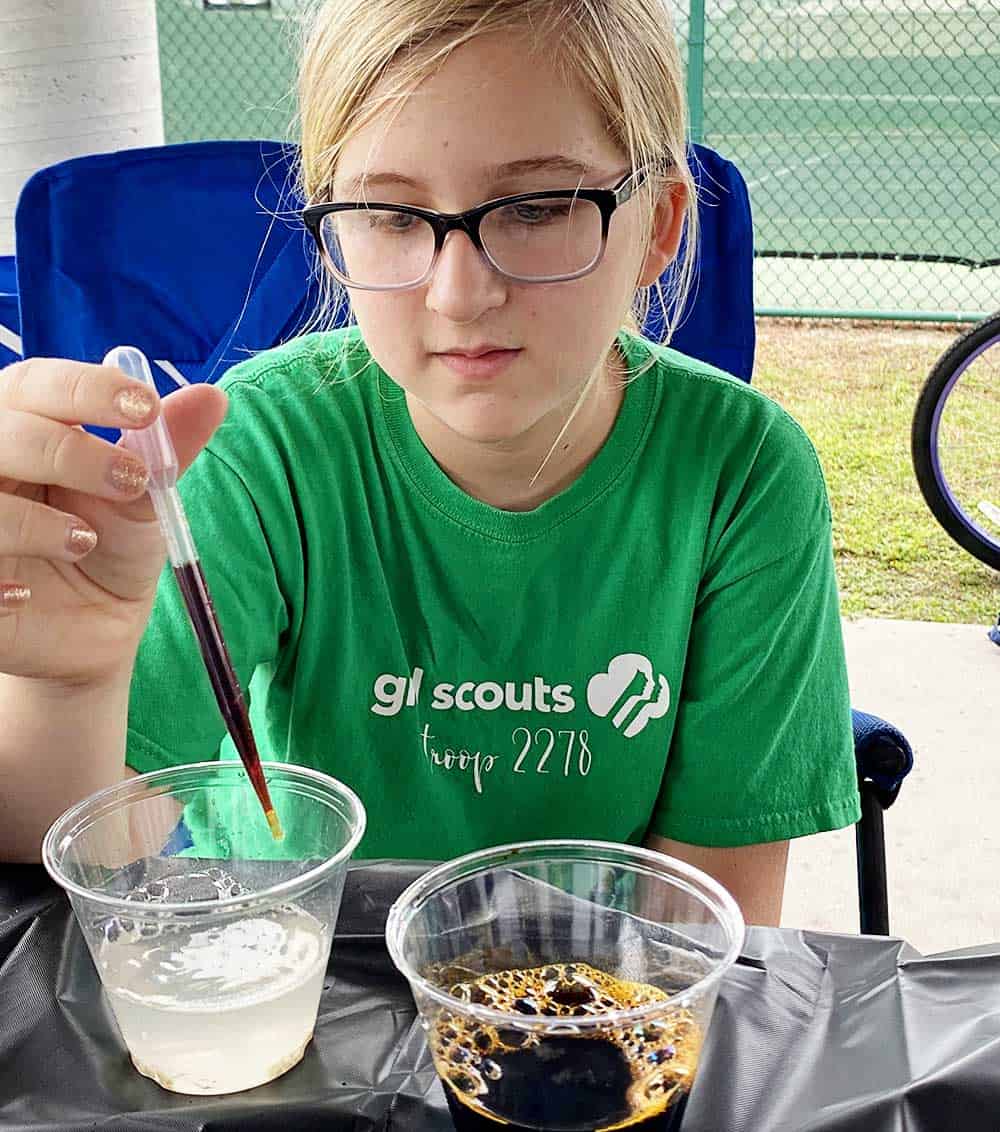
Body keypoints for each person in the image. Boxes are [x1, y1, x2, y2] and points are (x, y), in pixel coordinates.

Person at [0, 0, 860, 926]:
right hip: (296, 976)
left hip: (591, 995)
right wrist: (69, 689)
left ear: (657, 228)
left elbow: (713, 919)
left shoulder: (741, 476)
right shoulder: (259, 449)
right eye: (389, 215)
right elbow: (81, 853)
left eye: (536, 208)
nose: (458, 294)